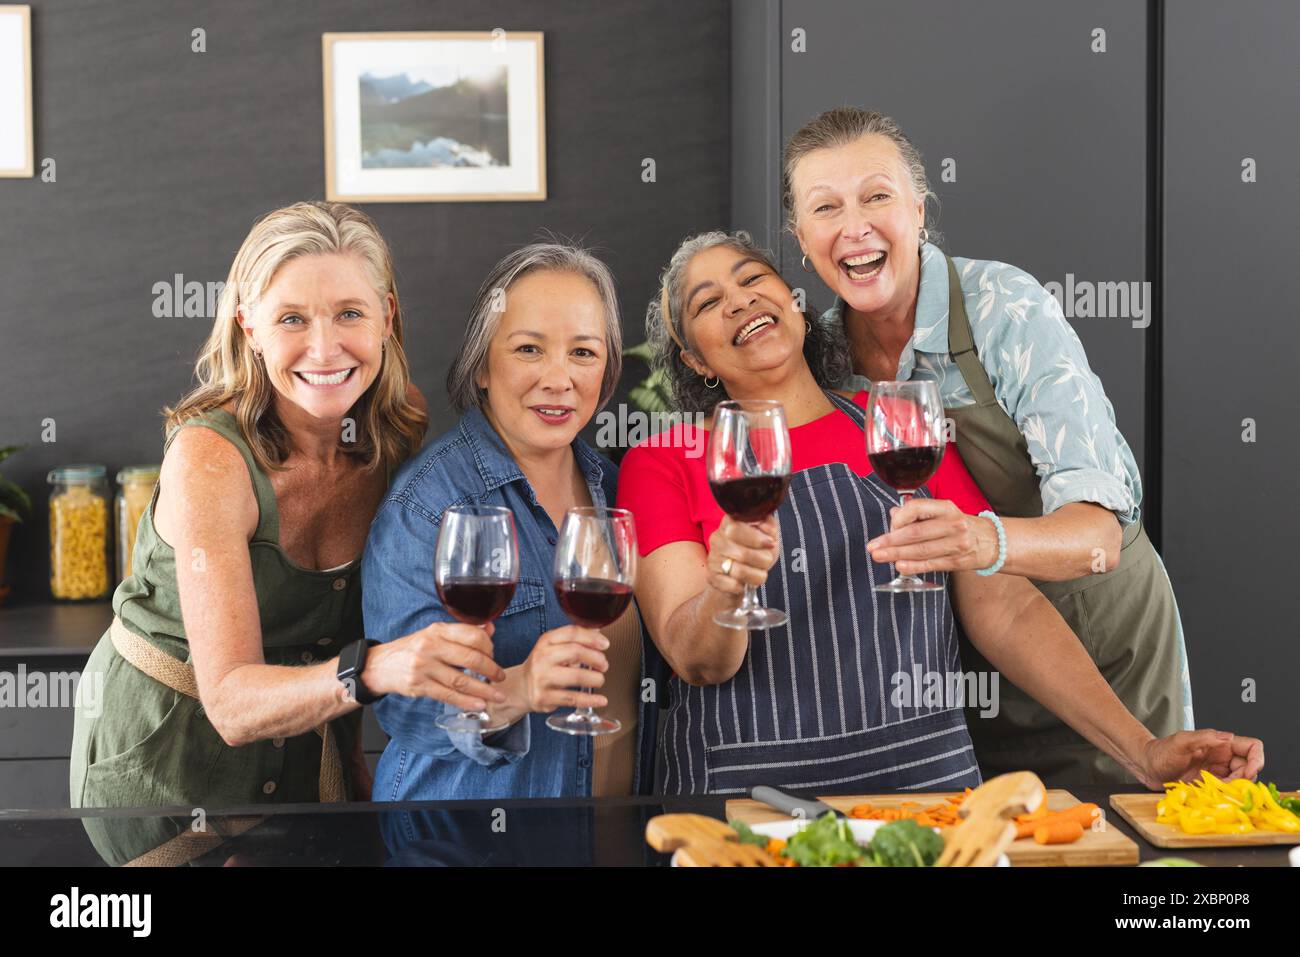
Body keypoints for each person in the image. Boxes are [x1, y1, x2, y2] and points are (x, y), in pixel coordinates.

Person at [615, 229, 1262, 795]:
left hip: (924, 795)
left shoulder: (897, 428)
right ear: (695, 357)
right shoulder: (664, 459)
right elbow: (697, 659)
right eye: (707, 303)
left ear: (796, 305)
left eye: (754, 278)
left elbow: (1005, 608)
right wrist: (727, 588)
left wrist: (1143, 751)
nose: (739, 298)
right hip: (745, 805)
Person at [69, 202, 497, 864]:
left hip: (307, 748)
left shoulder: (397, 423)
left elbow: (352, 618)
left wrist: (355, 766)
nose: (324, 348)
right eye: (292, 317)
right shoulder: (210, 458)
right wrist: (381, 666)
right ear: (250, 324)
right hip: (166, 763)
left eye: (350, 313)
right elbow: (234, 705)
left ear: (387, 315)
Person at [784, 107, 1191, 783]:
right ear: (803, 239)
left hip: (1104, 654)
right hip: (965, 678)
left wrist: (981, 540)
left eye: (877, 196)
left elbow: (1099, 534)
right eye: (826, 207)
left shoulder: (1006, 307)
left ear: (919, 209)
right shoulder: (818, 363)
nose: (854, 227)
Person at [362, 241, 664, 801]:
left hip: (614, 834)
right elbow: (405, 709)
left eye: (583, 353)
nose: (559, 378)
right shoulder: (428, 502)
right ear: (482, 366)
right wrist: (518, 688)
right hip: (464, 842)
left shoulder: (622, 492)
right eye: (529, 349)